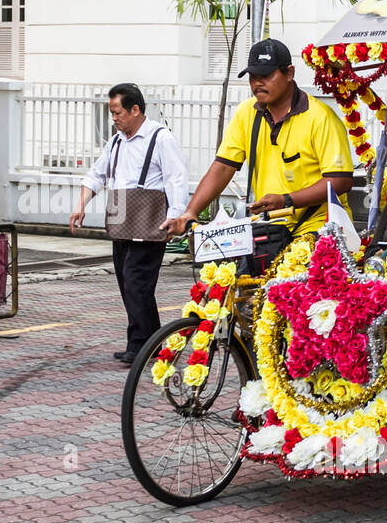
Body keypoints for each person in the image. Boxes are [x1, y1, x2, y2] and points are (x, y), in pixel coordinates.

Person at [164, 37, 354, 240]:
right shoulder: (246, 112)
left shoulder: (320, 117)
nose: (257, 83)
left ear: (289, 73)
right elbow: (222, 167)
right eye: (253, 77)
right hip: (271, 229)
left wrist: (286, 200)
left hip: (319, 227)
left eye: (266, 75)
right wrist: (190, 212)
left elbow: (340, 181)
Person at [71, 82, 189, 364]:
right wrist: (80, 206)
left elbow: (176, 179)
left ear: (135, 109)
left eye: (117, 112)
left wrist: (176, 215)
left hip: (150, 224)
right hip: (122, 221)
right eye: (112, 113)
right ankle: (145, 342)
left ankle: (144, 344)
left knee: (137, 284)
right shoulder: (115, 141)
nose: (114, 118)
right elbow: (96, 175)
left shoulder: (160, 138)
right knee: (128, 284)